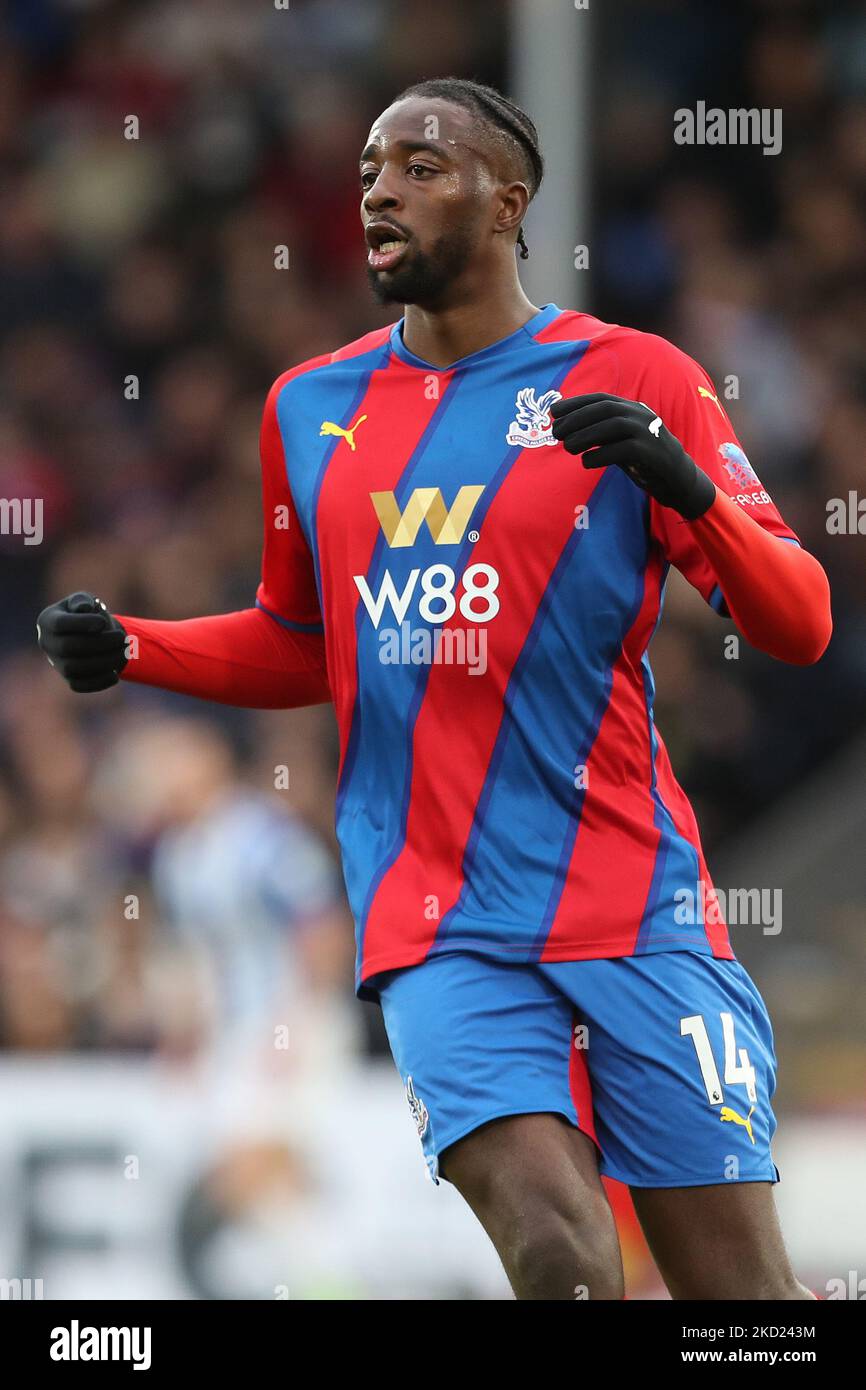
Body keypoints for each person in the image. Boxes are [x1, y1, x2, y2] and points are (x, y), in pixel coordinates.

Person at [37, 78, 832, 1300]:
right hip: (435, 921)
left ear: (509, 202)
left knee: (744, 1306)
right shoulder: (307, 407)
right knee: (561, 1255)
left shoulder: (633, 376)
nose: (379, 186)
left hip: (632, 900)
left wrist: (692, 493)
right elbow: (309, 641)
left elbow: (800, 623)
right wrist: (138, 648)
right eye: (367, 167)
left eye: (421, 162)